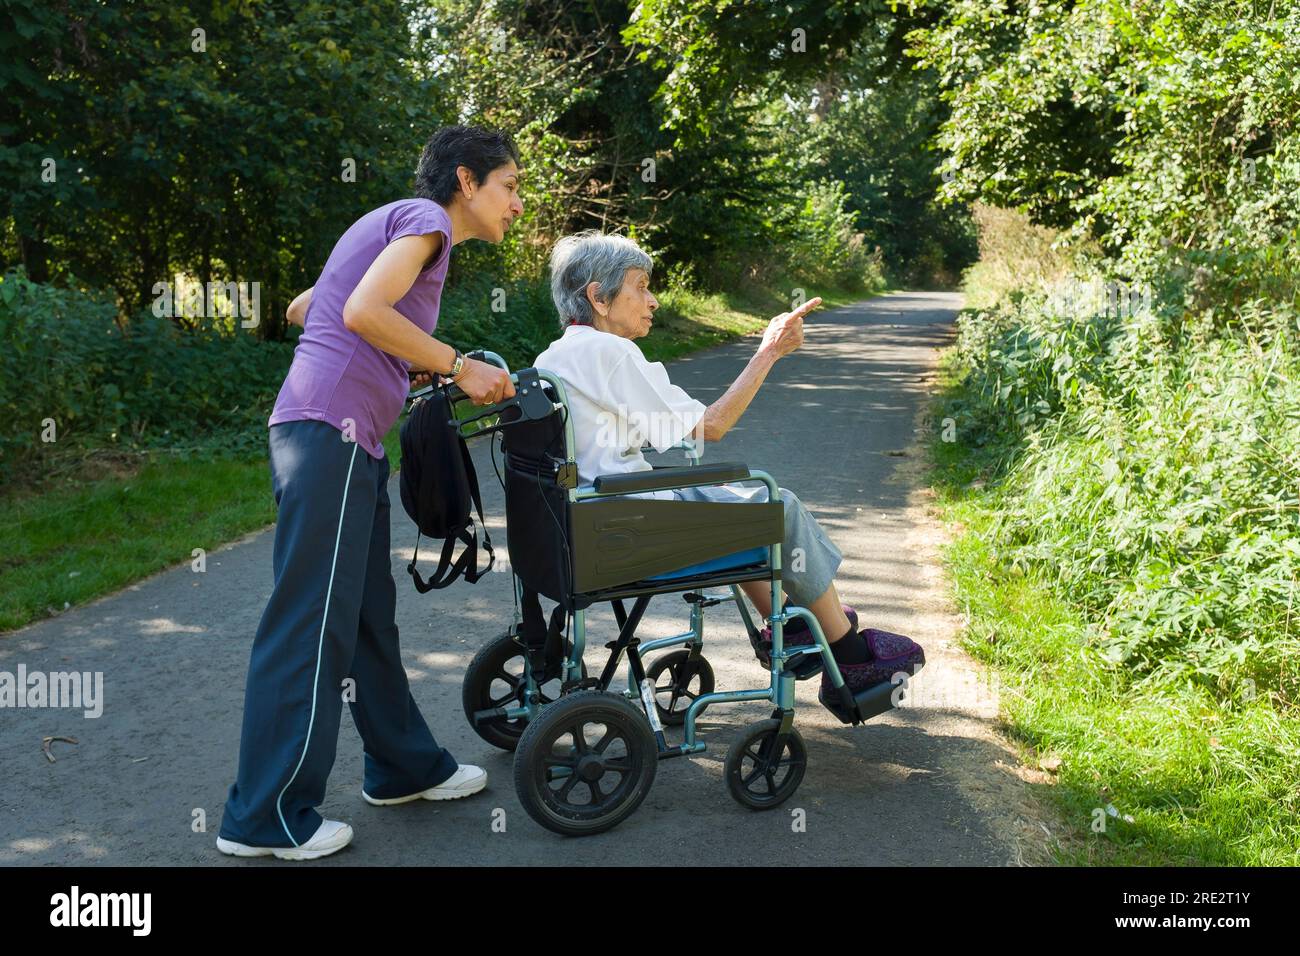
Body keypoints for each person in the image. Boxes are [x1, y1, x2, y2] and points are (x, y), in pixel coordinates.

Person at [217, 125, 521, 861]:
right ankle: (265, 816)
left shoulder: (398, 228)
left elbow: (305, 307)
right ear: (466, 182)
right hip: (330, 435)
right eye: (509, 186)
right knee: (311, 619)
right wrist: (453, 365)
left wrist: (398, 360)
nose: (518, 202)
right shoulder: (425, 224)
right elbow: (357, 312)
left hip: (335, 436)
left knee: (363, 618)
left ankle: (404, 767)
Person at [533, 231, 925, 717]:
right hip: (623, 531)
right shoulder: (609, 353)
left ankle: (788, 624)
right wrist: (769, 352)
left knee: (723, 496)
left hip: (581, 520)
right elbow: (709, 427)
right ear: (598, 296)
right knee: (779, 506)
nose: (652, 300)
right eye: (640, 286)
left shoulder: (553, 357)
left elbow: (658, 434)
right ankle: (848, 657)